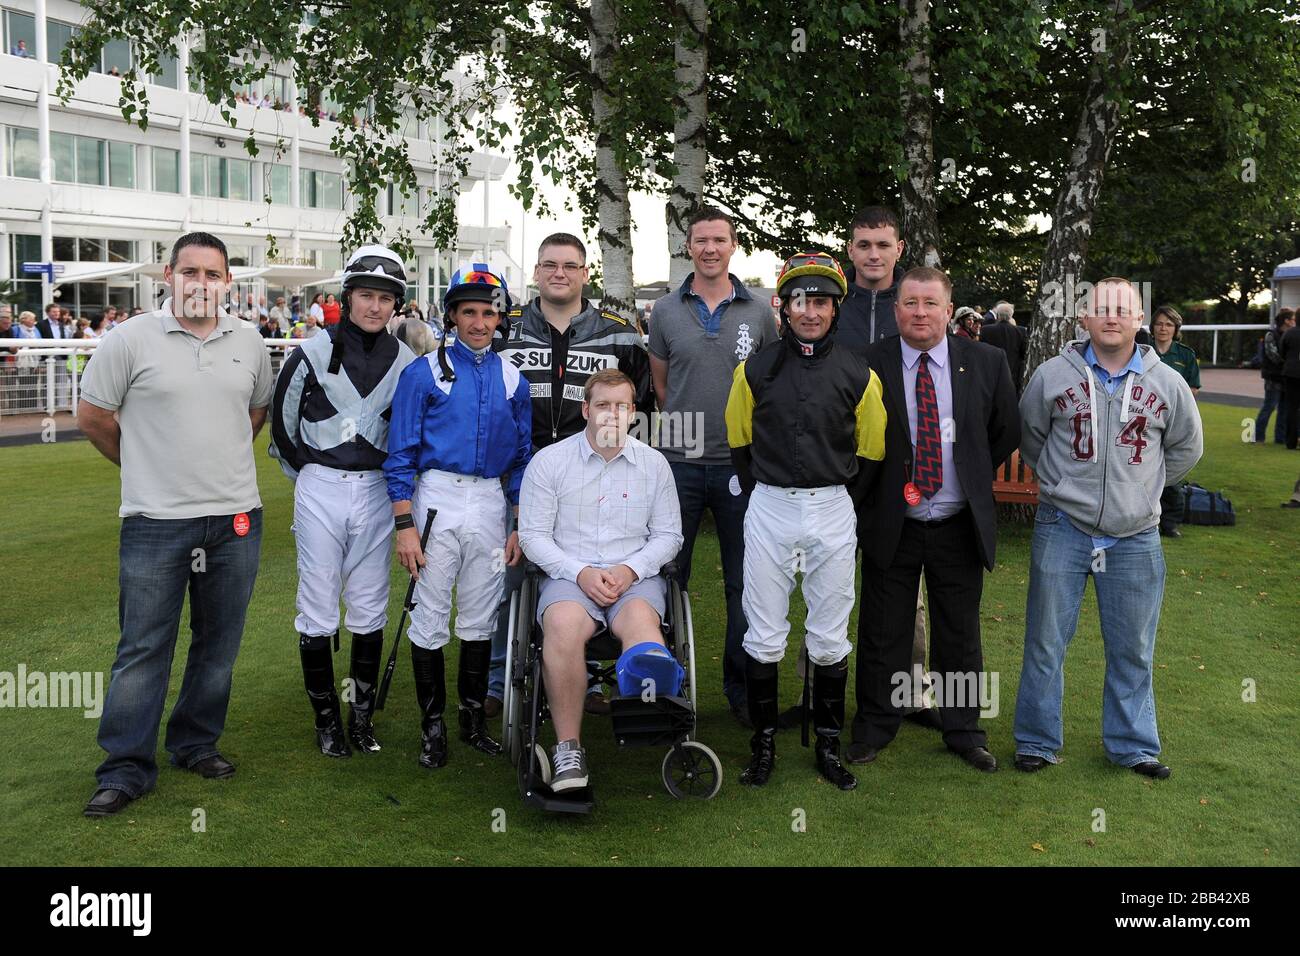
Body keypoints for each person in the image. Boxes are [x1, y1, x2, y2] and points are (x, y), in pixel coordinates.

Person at [76, 231, 274, 817]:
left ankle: (194, 742)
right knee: (143, 646)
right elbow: (92, 416)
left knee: (218, 644)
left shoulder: (250, 341)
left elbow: (255, 412)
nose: (201, 284)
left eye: (213, 275)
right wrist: (142, 464)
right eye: (190, 272)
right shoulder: (130, 338)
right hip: (156, 521)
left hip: (235, 519)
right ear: (168, 276)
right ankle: (125, 768)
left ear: (227, 283)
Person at [1013, 277, 1203, 779]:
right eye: (1102, 308)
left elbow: (1186, 447)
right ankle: (1035, 740)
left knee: (1134, 646)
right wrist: (1058, 482)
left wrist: (1144, 489)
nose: (1112, 316)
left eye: (1123, 308)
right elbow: (1031, 435)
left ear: (1139, 319)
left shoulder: (1168, 382)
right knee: (1046, 640)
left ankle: (1133, 746)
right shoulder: (1053, 374)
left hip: (1136, 533)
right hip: (1063, 525)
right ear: (1085, 318)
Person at [724, 252, 888, 790]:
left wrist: (832, 496)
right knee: (765, 632)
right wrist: (771, 493)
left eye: (820, 302)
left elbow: (870, 450)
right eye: (800, 301)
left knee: (829, 634)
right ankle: (763, 745)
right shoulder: (754, 369)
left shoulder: (859, 372)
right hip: (769, 504)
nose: (810, 311)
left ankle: (829, 746)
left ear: (835, 308)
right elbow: (739, 443)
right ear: (785, 306)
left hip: (832, 506)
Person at [848, 267, 1020, 772]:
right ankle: (875, 725)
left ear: (950, 310)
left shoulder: (986, 362)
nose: (919, 312)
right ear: (896, 308)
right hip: (892, 522)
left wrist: (966, 467)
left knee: (959, 634)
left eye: (930, 303)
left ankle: (963, 729)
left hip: (956, 522)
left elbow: (1004, 429)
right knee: (883, 630)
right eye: (909, 303)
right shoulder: (868, 363)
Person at [485, 233, 652, 719]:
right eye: (550, 264)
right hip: (515, 471)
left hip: (590, 473)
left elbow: (640, 408)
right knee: (508, 575)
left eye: (570, 265)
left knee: (587, 566)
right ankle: (500, 678)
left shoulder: (620, 333)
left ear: (585, 273)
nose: (560, 273)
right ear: (536, 272)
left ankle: (591, 677)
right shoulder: (505, 329)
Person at [270, 244, 416, 758]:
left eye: (384, 298)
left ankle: (360, 719)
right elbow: (283, 432)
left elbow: (411, 433)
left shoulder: (407, 361)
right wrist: (314, 473)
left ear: (395, 304)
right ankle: (325, 719)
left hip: (378, 491)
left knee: (371, 606)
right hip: (321, 486)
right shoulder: (307, 352)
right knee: (317, 604)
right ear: (347, 297)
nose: (374, 307)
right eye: (365, 296)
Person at [385, 264, 531, 769]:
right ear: (451, 315)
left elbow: (522, 458)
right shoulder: (421, 372)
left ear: (500, 319)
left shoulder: (514, 378)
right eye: (469, 312)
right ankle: (432, 726)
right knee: (428, 617)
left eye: (489, 313)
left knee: (478, 616)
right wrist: (405, 526)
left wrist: (518, 522)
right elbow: (399, 453)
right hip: (435, 500)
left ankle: (472, 720)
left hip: (491, 503)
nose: (479, 322)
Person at [517, 368, 684, 792]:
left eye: (622, 406)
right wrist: (581, 573)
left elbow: (669, 536)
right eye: (603, 405)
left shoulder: (654, 465)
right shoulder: (549, 462)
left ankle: (647, 706)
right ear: (585, 410)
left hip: (634, 577)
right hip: (569, 575)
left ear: (633, 413)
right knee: (561, 627)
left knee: (643, 626)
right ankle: (568, 748)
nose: (612, 414)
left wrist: (629, 571)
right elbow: (533, 536)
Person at [647, 206, 776, 727]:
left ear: (732, 245)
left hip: (739, 465)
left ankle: (739, 688)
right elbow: (661, 388)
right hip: (676, 464)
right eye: (700, 240)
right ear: (688, 246)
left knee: (742, 581)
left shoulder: (761, 310)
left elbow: (767, 384)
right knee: (668, 575)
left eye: (718, 240)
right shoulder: (664, 311)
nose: (709, 249)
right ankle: (667, 683)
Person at [1150, 305, 1201, 536]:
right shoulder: (1141, 350)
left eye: (1168, 324)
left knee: (1171, 473)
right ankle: (1147, 515)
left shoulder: (1185, 355)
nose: (1163, 328)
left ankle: (1169, 522)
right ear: (1152, 327)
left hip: (1175, 419)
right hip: (1146, 417)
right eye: (1159, 323)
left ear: (1176, 328)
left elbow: (1192, 388)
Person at [836, 205, 905, 359]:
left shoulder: (917, 305)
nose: (874, 255)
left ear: (899, 249)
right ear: (850, 250)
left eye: (883, 245)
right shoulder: (828, 303)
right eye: (864, 245)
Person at [1256, 309, 1293, 444]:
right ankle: (1258, 436)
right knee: (1269, 406)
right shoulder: (1271, 335)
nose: (1294, 321)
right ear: (1286, 321)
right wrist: (1289, 363)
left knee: (1283, 409)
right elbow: (1273, 355)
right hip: (1273, 377)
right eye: (1292, 319)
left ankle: (1280, 438)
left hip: (1285, 376)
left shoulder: (1288, 335)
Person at [979, 301, 1028, 394]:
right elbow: (1023, 353)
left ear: (998, 314)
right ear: (1011, 315)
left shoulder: (986, 330)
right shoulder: (1021, 331)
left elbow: (982, 351)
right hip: (1013, 375)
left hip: (991, 374)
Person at [1280, 313, 1300, 450]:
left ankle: (1290, 441)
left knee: (1291, 407)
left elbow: (1282, 352)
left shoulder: (1289, 333)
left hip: (1291, 373)